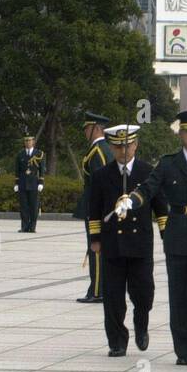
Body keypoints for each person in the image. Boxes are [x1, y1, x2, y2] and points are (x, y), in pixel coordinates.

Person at [115, 111, 187, 365]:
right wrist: (130, 201)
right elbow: (148, 188)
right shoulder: (168, 164)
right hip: (176, 233)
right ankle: (183, 350)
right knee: (178, 295)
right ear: (180, 133)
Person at [86, 125, 166, 356]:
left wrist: (167, 236)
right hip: (113, 244)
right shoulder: (101, 175)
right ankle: (117, 341)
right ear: (111, 148)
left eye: (128, 146)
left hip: (140, 244)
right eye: (118, 147)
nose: (123, 151)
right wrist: (95, 239)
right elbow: (94, 210)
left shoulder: (148, 172)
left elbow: (161, 209)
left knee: (144, 293)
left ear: (135, 145)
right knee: (113, 297)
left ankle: (141, 325)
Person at [76, 113, 113, 302]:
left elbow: (101, 184)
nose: (84, 132)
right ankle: (100, 288)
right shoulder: (102, 148)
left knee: (96, 248)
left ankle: (98, 290)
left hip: (96, 208)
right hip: (97, 207)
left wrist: (97, 209)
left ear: (96, 128)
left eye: (87, 128)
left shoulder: (98, 151)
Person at [14, 134, 45, 233]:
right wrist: (16, 183)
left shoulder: (39, 154)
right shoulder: (20, 154)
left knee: (33, 206)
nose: (28, 143)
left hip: (34, 183)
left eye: (30, 141)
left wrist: (41, 182)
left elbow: (42, 169)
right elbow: (17, 170)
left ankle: (32, 227)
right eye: (26, 141)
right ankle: (24, 226)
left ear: (33, 142)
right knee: (23, 206)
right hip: (23, 183)